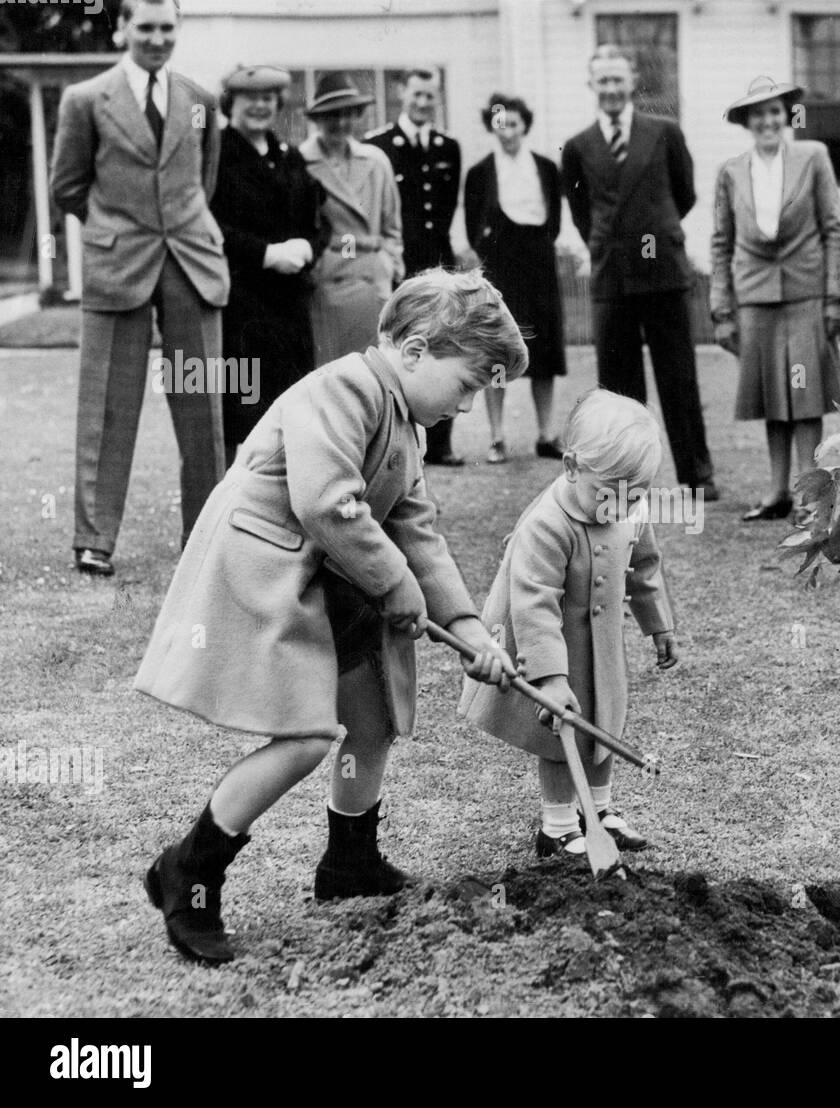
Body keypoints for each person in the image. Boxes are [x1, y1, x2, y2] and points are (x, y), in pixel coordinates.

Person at [134, 270, 526, 965]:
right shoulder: (343, 388)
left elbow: (418, 532)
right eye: (467, 383)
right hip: (267, 566)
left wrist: (467, 628)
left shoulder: (405, 424)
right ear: (414, 350)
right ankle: (187, 873)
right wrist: (395, 584)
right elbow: (325, 502)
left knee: (370, 712)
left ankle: (349, 865)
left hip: (329, 570)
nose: (467, 405)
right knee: (307, 735)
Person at [50, 0, 230, 576]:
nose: (156, 38)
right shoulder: (85, 99)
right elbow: (68, 187)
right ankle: (94, 539)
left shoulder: (201, 100)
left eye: (166, 28)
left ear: (179, 31)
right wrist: (115, 228)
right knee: (106, 402)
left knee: (202, 401)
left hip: (191, 262)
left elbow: (205, 180)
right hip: (118, 263)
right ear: (122, 28)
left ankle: (205, 532)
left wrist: (179, 225)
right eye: (145, 27)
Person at [459, 390, 677, 859]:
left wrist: (658, 625)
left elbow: (644, 567)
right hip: (554, 648)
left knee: (603, 727)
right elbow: (533, 604)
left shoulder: (627, 507)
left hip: (603, 648)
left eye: (633, 495)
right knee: (560, 737)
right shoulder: (548, 524)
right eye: (609, 493)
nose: (618, 508)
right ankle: (557, 826)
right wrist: (552, 680)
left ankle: (598, 813)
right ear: (572, 466)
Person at [561, 44, 719, 502]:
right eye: (602, 81)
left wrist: (652, 231)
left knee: (679, 376)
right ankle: (624, 479)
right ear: (591, 86)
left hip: (664, 272)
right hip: (613, 276)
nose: (610, 89)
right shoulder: (577, 147)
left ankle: (697, 476)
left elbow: (684, 195)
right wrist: (611, 243)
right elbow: (581, 213)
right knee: (618, 387)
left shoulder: (665, 133)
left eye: (618, 80)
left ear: (632, 82)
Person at [711, 78, 840, 523]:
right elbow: (720, 242)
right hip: (755, 295)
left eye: (774, 112)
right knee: (773, 395)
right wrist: (722, 308)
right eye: (758, 114)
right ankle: (776, 492)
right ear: (747, 122)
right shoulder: (731, 171)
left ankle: (810, 492)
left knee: (805, 394)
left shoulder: (813, 157)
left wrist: (835, 296)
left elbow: (832, 228)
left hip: (807, 291)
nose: (768, 121)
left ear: (787, 116)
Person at [211, 65, 328, 467]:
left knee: (289, 411)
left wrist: (307, 248)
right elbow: (207, 223)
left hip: (289, 308)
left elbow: (318, 221)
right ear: (231, 104)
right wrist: (264, 253)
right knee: (235, 413)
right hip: (238, 305)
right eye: (250, 98)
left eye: (268, 99)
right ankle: (225, 510)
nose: (261, 107)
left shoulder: (288, 156)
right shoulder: (216, 155)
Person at [366, 69, 466, 467]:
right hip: (400, 263)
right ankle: (393, 440)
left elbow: (445, 208)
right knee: (398, 348)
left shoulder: (449, 147)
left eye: (431, 96)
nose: (424, 103)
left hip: (438, 260)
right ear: (402, 95)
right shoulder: (378, 145)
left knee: (443, 346)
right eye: (417, 95)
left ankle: (440, 442)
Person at [465, 93, 567, 464]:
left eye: (513, 123)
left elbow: (554, 220)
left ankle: (545, 434)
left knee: (545, 351)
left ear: (525, 125)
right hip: (501, 267)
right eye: (499, 124)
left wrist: (535, 247)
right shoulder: (480, 173)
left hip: (539, 264)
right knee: (498, 350)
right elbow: (473, 225)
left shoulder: (545, 168)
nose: (507, 131)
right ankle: (496, 437)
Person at [300, 73, 404, 366]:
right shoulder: (301, 163)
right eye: (332, 115)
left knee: (373, 373)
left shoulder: (375, 160)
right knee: (331, 375)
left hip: (372, 281)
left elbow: (392, 225)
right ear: (318, 118)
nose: (341, 123)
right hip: (327, 282)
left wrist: (389, 265)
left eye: (348, 114)